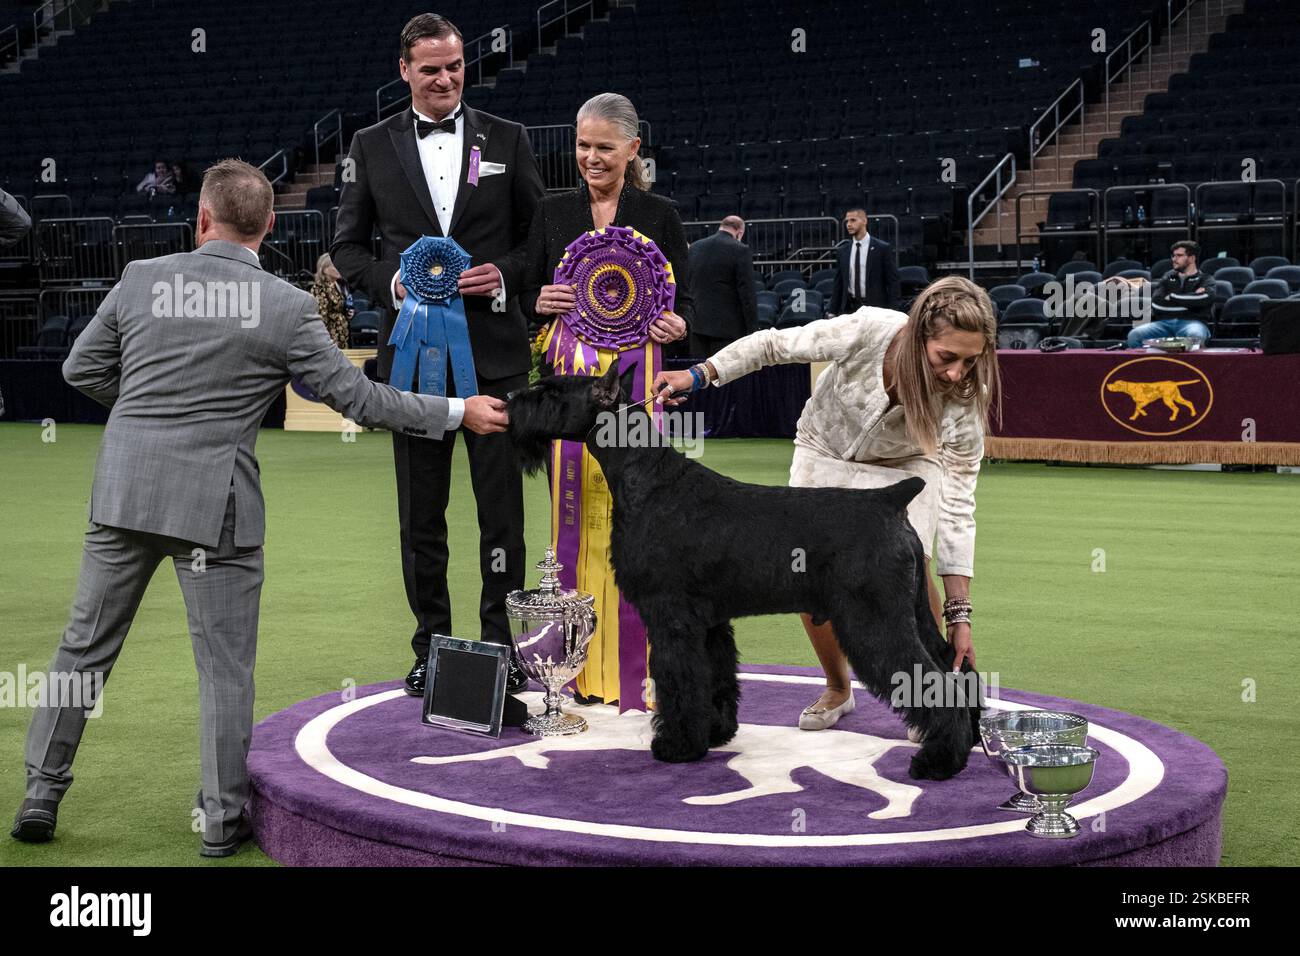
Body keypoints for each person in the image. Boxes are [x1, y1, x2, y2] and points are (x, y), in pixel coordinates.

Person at [10, 159, 509, 857]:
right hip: (217, 510)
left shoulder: (140, 278)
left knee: (83, 650)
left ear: (201, 217)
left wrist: (146, 416)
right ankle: (220, 822)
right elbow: (361, 401)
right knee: (224, 670)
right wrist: (458, 409)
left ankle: (41, 792)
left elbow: (79, 369)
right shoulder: (285, 305)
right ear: (269, 224)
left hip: (126, 492)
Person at [654, 276, 998, 731]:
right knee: (803, 568)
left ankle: (928, 697)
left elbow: (957, 506)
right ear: (918, 337)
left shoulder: (967, 400)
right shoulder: (868, 329)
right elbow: (772, 346)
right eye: (946, 357)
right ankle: (838, 687)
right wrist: (700, 374)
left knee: (909, 567)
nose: (957, 373)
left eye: (970, 361)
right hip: (824, 449)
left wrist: (960, 614)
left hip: (906, 463)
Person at [330, 13, 545, 699]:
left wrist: (505, 274)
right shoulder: (369, 145)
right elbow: (347, 247)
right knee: (421, 518)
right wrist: (393, 283)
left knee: (501, 518)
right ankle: (430, 646)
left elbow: (537, 240)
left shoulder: (508, 138)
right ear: (404, 70)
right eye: (431, 69)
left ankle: (501, 647)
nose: (446, 78)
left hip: (496, 360)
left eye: (454, 66)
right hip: (413, 364)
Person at [521, 92, 693, 709]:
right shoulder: (551, 212)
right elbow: (525, 293)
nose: (591, 158)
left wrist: (679, 326)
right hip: (572, 409)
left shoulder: (661, 216)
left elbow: (686, 305)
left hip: (634, 397)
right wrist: (536, 301)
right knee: (573, 522)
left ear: (633, 148)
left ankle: (642, 669)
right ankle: (571, 667)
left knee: (643, 525)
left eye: (604, 147)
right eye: (582, 145)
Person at [686, 215, 758, 354]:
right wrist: (752, 330)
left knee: (699, 366)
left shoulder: (695, 247)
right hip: (727, 329)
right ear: (739, 233)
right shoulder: (740, 249)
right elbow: (747, 292)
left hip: (697, 326)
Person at [1126, 239, 1213, 347]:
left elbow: (1205, 299)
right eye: (1173, 256)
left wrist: (1172, 297)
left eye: (1179, 255)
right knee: (1134, 335)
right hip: (1164, 323)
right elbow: (1156, 303)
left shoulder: (1206, 279)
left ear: (1192, 258)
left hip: (1193, 323)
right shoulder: (1167, 278)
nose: (1174, 259)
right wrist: (1191, 303)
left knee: (1195, 335)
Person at [830, 208, 900, 313]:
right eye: (847, 221)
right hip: (850, 308)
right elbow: (838, 283)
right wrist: (832, 311)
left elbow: (893, 281)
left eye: (853, 220)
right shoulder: (842, 251)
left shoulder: (882, 248)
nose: (848, 224)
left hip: (875, 307)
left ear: (864, 221)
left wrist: (894, 309)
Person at [311, 252, 353, 349]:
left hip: (343, 333)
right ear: (325, 269)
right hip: (331, 336)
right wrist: (324, 339)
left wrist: (348, 312)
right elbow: (321, 315)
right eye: (335, 266)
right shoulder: (320, 287)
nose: (339, 269)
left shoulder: (340, 285)